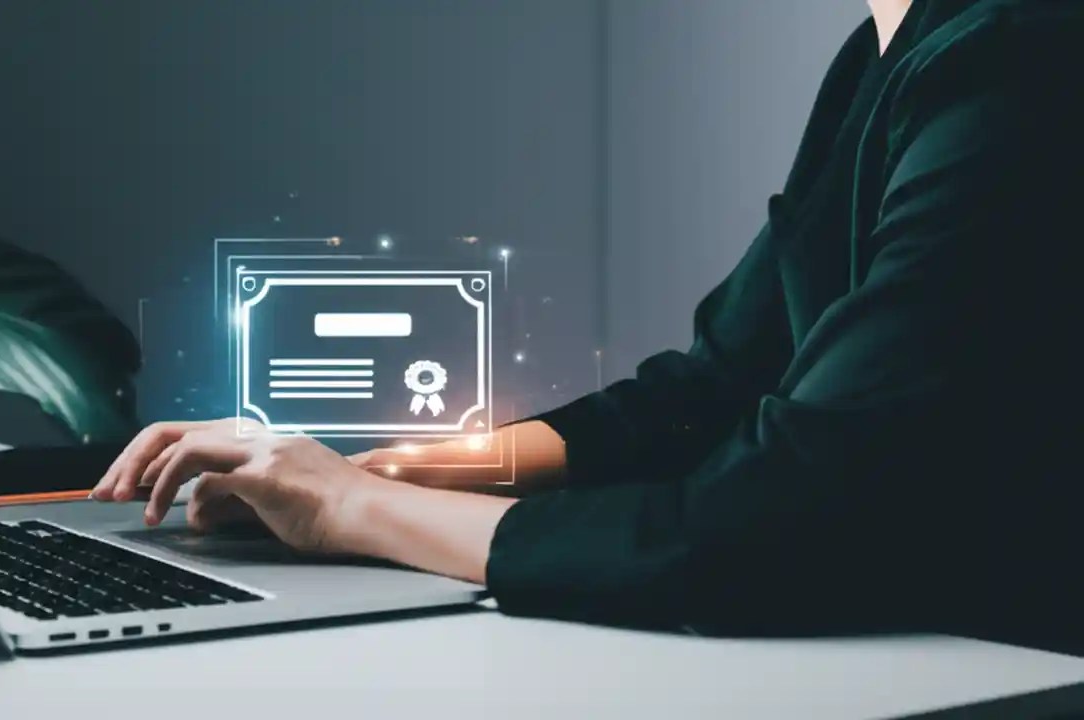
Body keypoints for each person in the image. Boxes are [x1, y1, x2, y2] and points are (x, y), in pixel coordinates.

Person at [93, 0, 1084, 653]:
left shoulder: (1016, 61)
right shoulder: (892, 49)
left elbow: (767, 519)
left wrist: (350, 512)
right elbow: (701, 393)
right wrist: (365, 470)